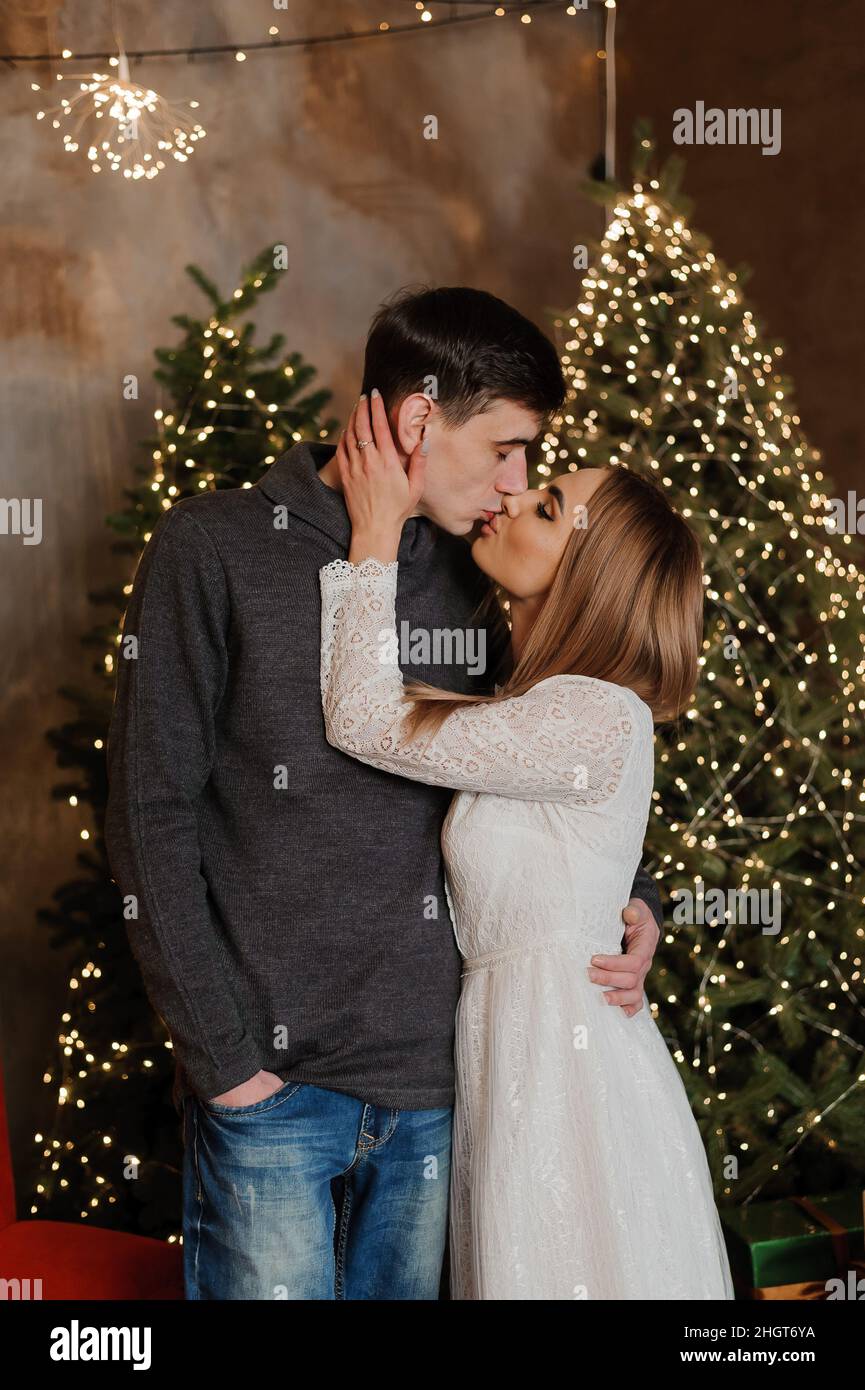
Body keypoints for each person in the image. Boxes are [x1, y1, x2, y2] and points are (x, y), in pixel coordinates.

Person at [104, 285, 664, 1300]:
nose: (515, 481)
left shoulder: (487, 578)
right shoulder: (213, 549)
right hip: (271, 1095)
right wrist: (226, 1065)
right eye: (505, 447)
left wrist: (638, 907)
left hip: (445, 1099)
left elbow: (565, 757)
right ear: (416, 419)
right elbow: (150, 817)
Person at [317, 389, 735, 1299]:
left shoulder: (593, 713)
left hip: (563, 1066)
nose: (510, 498)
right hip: (514, 1047)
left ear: (592, 574)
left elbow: (362, 718)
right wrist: (637, 908)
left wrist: (375, 531)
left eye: (546, 506)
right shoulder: (545, 707)